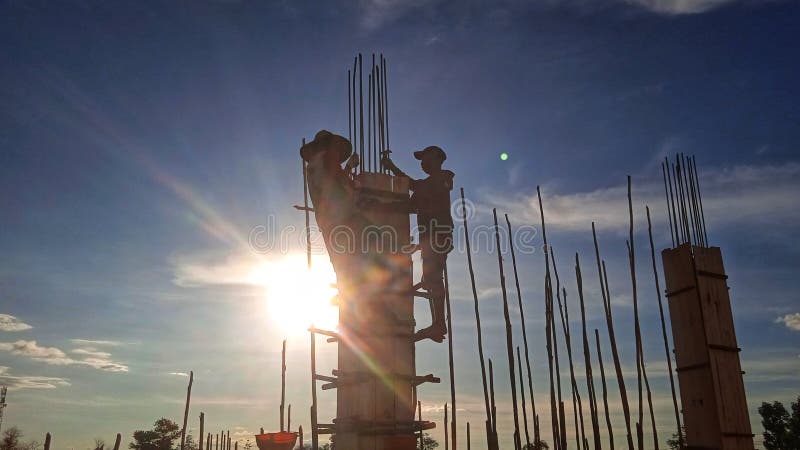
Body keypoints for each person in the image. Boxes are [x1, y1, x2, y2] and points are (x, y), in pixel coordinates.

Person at [381, 146, 454, 343]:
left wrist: (392, 169)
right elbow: (411, 204)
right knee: (430, 279)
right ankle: (437, 324)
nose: (422, 163)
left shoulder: (442, 179)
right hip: (431, 239)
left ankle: (439, 323)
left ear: (438, 158)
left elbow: (416, 188)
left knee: (433, 279)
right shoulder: (428, 185)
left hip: (437, 237)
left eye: (425, 158)